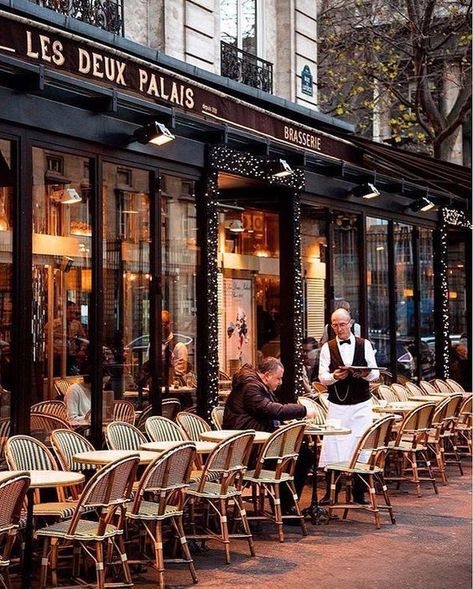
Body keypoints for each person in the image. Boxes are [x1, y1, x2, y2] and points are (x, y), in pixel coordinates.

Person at [223, 357, 317, 514]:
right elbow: (272, 410)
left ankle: (285, 506)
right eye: (278, 378)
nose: (279, 383)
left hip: (253, 444)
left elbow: (266, 412)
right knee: (300, 455)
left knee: (301, 453)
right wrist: (303, 410)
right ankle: (285, 508)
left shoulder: (254, 385)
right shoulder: (251, 387)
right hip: (247, 450)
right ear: (267, 375)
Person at [318, 308, 379, 504]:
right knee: (333, 446)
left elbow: (375, 373)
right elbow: (322, 377)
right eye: (334, 325)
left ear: (350, 323)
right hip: (337, 404)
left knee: (362, 445)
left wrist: (364, 374)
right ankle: (331, 493)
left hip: (362, 403)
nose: (339, 329)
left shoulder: (365, 344)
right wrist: (334, 376)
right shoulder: (328, 347)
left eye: (342, 324)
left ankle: (359, 493)